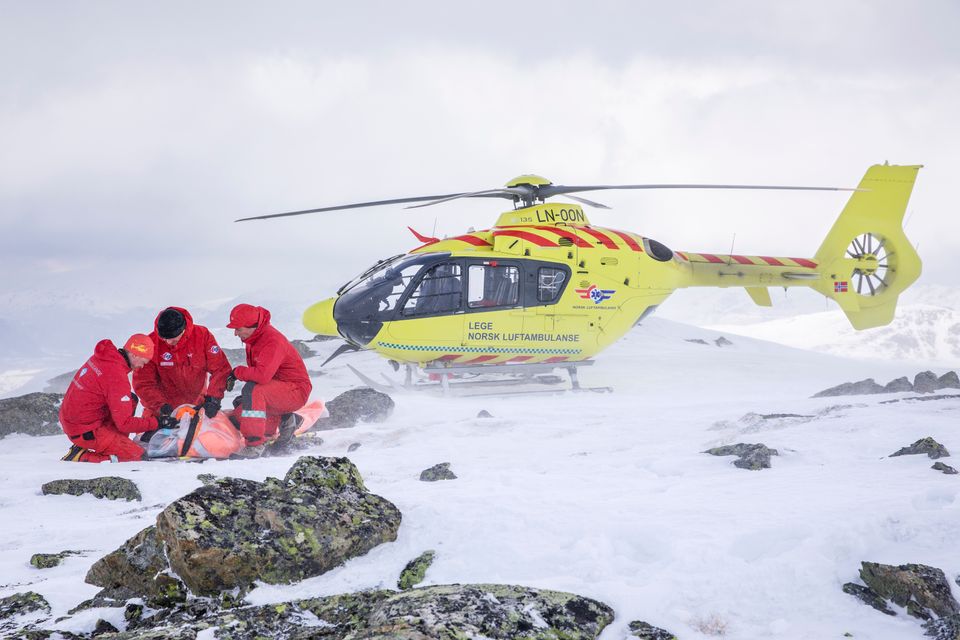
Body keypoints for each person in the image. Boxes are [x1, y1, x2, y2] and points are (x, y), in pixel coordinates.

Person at [60, 334, 178, 462]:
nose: (142, 367)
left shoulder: (106, 358)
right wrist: (158, 422)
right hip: (84, 429)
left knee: (130, 400)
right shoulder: (116, 376)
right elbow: (125, 424)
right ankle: (81, 456)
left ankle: (116, 443)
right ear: (134, 355)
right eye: (143, 362)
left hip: (75, 418)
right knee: (137, 455)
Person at [226, 303, 312, 453]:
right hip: (279, 391)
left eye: (238, 329)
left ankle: (254, 445)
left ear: (251, 326)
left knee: (253, 391)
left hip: (295, 391)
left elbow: (261, 376)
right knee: (238, 416)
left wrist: (237, 372)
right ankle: (287, 419)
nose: (235, 333)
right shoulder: (253, 339)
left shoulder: (272, 341)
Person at [133, 307, 231, 422]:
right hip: (162, 413)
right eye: (164, 339)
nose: (168, 342)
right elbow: (143, 383)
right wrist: (160, 407)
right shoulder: (151, 344)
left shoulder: (202, 336)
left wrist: (213, 398)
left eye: (173, 339)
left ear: (184, 330)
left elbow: (220, 368)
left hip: (196, 409)